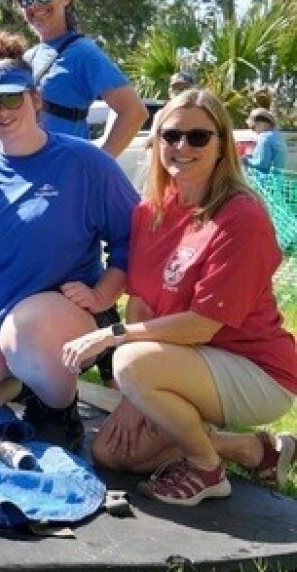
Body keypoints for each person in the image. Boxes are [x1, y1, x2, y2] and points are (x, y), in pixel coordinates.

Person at [64, 90, 296, 505]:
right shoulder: (150, 210)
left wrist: (115, 340)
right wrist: (132, 395)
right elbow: (141, 302)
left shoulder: (241, 216)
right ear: (157, 142)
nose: (182, 146)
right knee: (113, 453)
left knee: (130, 361)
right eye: (171, 135)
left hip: (256, 371)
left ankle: (207, 469)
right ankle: (252, 450)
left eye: (198, 137)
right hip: (182, 361)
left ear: (222, 145)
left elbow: (201, 326)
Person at [0, 37, 139, 451]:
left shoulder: (86, 162)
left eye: (11, 99)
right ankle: (25, 382)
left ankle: (57, 408)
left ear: (36, 99)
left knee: (24, 335)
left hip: (57, 316)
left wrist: (103, 295)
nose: (2, 113)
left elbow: (134, 236)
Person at [16, 0, 147, 157]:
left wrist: (99, 163)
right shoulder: (27, 57)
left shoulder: (83, 53)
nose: (35, 5)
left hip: (66, 168)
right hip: (26, 167)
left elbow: (134, 111)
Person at [245, 107, 287, 173]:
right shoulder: (278, 136)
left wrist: (245, 160)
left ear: (260, 123)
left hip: (265, 177)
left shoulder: (264, 137)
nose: (254, 131)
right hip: (278, 176)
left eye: (253, 127)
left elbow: (262, 163)